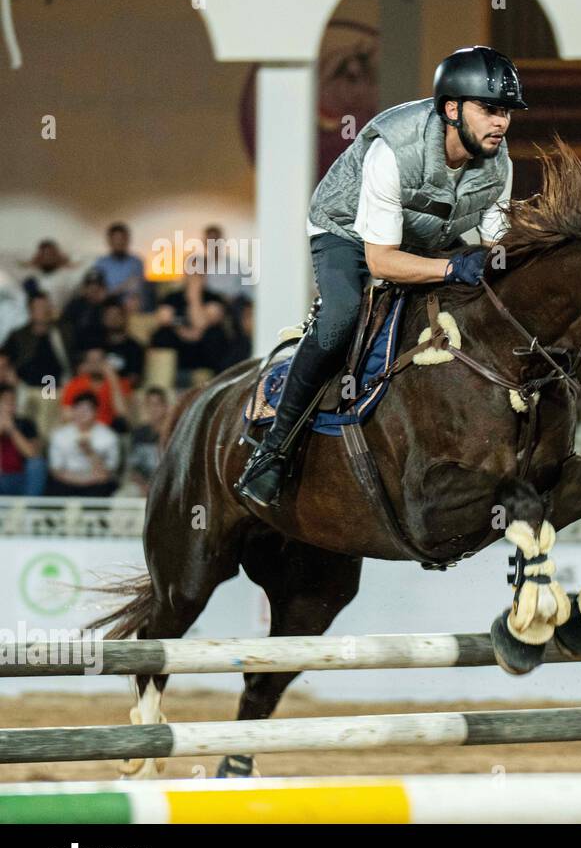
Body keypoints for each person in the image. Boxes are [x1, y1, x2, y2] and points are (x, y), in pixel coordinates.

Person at [236, 45, 526, 508]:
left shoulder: (499, 164)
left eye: (506, 112)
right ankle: (273, 452)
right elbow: (382, 262)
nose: (501, 123)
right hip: (348, 232)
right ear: (451, 108)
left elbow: (497, 238)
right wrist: (451, 266)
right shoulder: (394, 150)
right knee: (341, 318)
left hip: (424, 237)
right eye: (490, 110)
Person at [149, 270, 232, 380]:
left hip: (203, 347)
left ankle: (215, 380)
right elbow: (163, 319)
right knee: (161, 335)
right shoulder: (172, 297)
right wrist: (181, 328)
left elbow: (202, 323)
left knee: (216, 336)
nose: (194, 279)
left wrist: (194, 298)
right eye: (191, 275)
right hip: (179, 342)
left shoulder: (214, 298)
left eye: (198, 275)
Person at [47, 392, 120, 497]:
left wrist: (90, 452)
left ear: (96, 412)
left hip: (96, 484)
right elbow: (56, 470)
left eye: (86, 410)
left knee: (105, 487)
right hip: (66, 482)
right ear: (73, 411)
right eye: (78, 409)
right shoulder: (60, 435)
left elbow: (108, 473)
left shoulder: (109, 436)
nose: (82, 414)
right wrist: (80, 481)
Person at [1, 293, 71, 388]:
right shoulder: (19, 336)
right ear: (31, 311)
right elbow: (4, 357)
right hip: (24, 390)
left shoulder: (62, 333)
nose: (45, 310)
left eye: (47, 306)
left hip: (55, 388)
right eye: (40, 307)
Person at [61, 348, 132, 431]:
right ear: (85, 364)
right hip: (81, 428)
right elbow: (66, 414)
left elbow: (123, 414)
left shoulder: (119, 382)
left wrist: (112, 377)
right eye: (91, 361)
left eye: (99, 361)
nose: (95, 364)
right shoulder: (75, 384)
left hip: (109, 429)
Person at [91, 223, 152, 312]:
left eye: (122, 239)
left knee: (133, 301)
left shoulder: (136, 262)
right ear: (109, 241)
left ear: (127, 240)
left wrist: (110, 292)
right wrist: (122, 287)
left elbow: (135, 286)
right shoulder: (101, 263)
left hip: (129, 303)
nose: (119, 242)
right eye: (116, 239)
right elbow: (98, 290)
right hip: (107, 304)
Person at [0, 384, 46, 496]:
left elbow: (32, 453)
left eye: (13, 400)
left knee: (37, 463)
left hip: (20, 478)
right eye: (6, 401)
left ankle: (31, 508)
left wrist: (12, 429)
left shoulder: (26, 423)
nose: (11, 404)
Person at [18, 239, 83, 312]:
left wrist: (66, 262)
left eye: (51, 254)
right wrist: (31, 263)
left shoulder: (68, 276)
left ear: (57, 255)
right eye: (44, 254)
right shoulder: (31, 275)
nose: (47, 258)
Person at [127, 386, 170, 493]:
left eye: (156, 405)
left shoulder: (176, 432)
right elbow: (133, 467)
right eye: (149, 405)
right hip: (142, 484)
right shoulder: (139, 433)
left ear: (166, 406)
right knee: (127, 492)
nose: (153, 409)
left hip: (168, 484)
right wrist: (143, 486)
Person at [60, 269, 111, 352]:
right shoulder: (75, 304)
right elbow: (63, 324)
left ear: (103, 288)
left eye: (97, 286)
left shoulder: (108, 305)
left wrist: (102, 303)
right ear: (84, 288)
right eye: (90, 285)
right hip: (76, 349)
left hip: (101, 351)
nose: (93, 289)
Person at [99, 299, 145, 387]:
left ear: (124, 318)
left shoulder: (134, 347)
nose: (113, 319)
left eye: (117, 315)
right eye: (109, 316)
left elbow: (134, 379)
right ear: (103, 319)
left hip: (122, 392)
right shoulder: (98, 345)